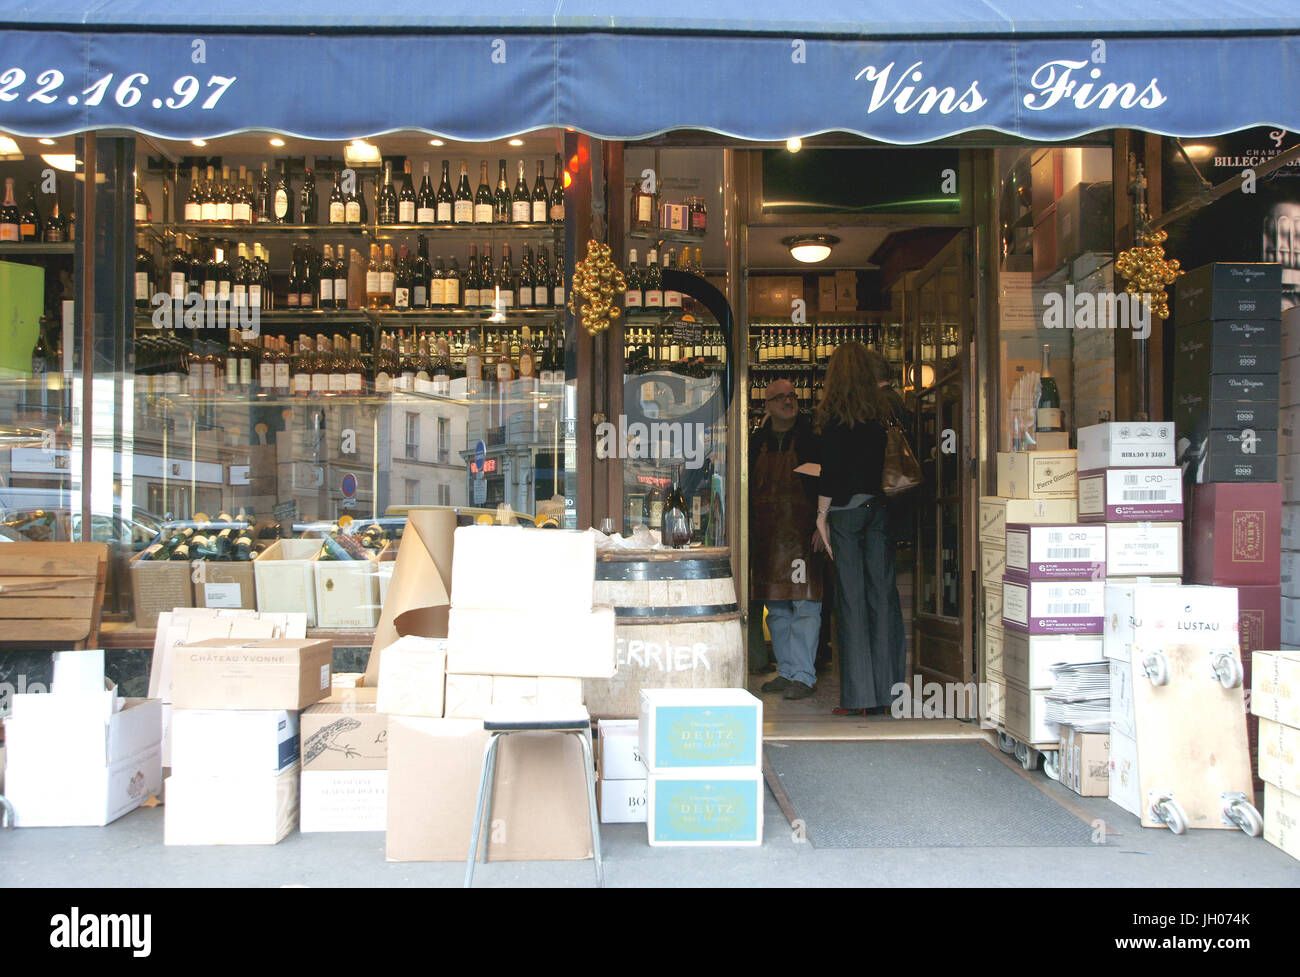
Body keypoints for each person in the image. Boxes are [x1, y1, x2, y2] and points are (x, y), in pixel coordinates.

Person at [814, 342, 904, 716]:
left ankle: (859, 698)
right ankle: (888, 696)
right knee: (882, 599)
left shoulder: (835, 415)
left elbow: (831, 472)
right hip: (878, 509)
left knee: (851, 602)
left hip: (846, 514)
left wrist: (821, 516)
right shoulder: (881, 411)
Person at [748, 378, 823, 700]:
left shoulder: (811, 438)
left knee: (805, 607)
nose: (787, 401)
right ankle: (787, 672)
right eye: (780, 397)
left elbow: (825, 481)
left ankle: (804, 676)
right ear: (767, 405)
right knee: (776, 608)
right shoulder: (756, 441)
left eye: (792, 395)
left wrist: (823, 525)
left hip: (802, 535)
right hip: (767, 535)